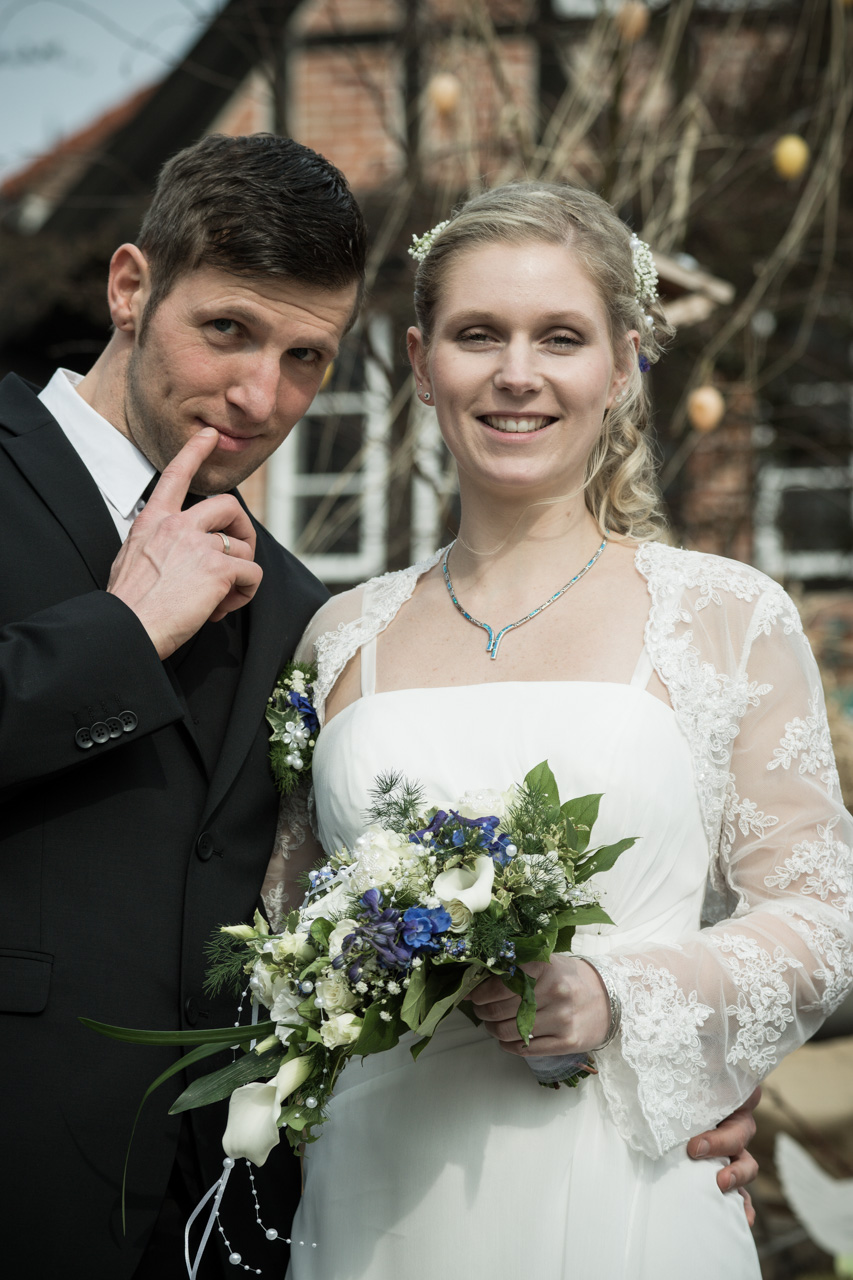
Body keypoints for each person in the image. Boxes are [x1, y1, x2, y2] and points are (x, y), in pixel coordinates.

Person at [267, 182, 853, 1279]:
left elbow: (823, 918)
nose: (516, 372)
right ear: (418, 356)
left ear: (625, 359)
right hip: (374, 1187)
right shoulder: (340, 635)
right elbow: (285, 936)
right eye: (477, 333)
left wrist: (621, 990)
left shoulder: (723, 616)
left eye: (561, 336)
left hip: (625, 1175)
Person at [0, 132, 366, 1278]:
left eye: (309, 355)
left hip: (218, 1220)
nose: (264, 397)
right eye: (228, 332)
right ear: (129, 286)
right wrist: (119, 634)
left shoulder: (299, 598)